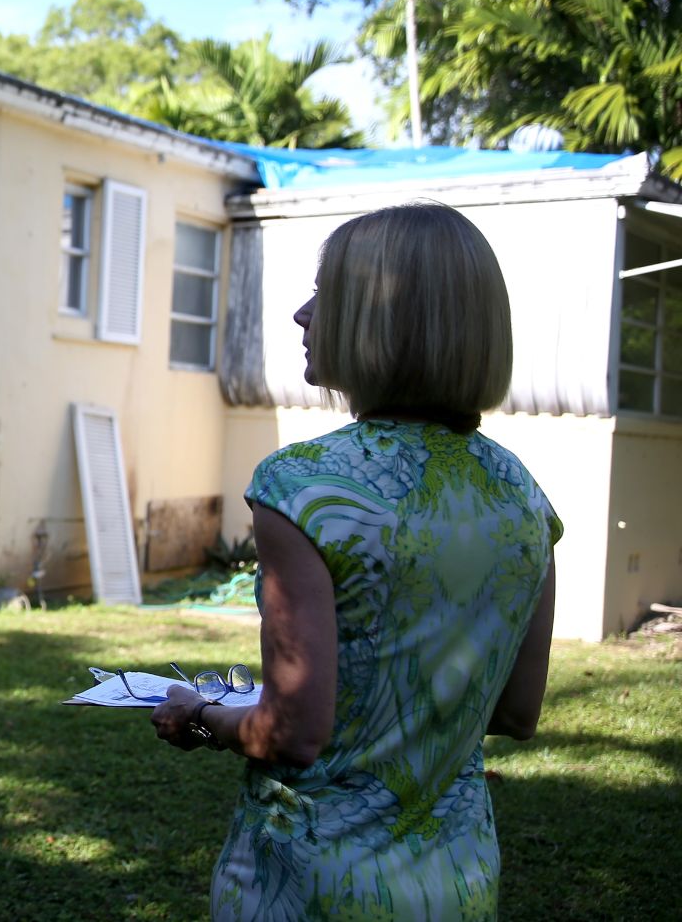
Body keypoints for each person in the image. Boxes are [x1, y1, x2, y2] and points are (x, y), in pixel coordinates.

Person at [150, 202, 558, 920]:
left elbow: (293, 732)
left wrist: (200, 712)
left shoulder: (304, 488)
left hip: (312, 887)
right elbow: (517, 712)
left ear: (385, 321)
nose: (303, 316)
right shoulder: (521, 494)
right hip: (458, 887)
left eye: (325, 295)